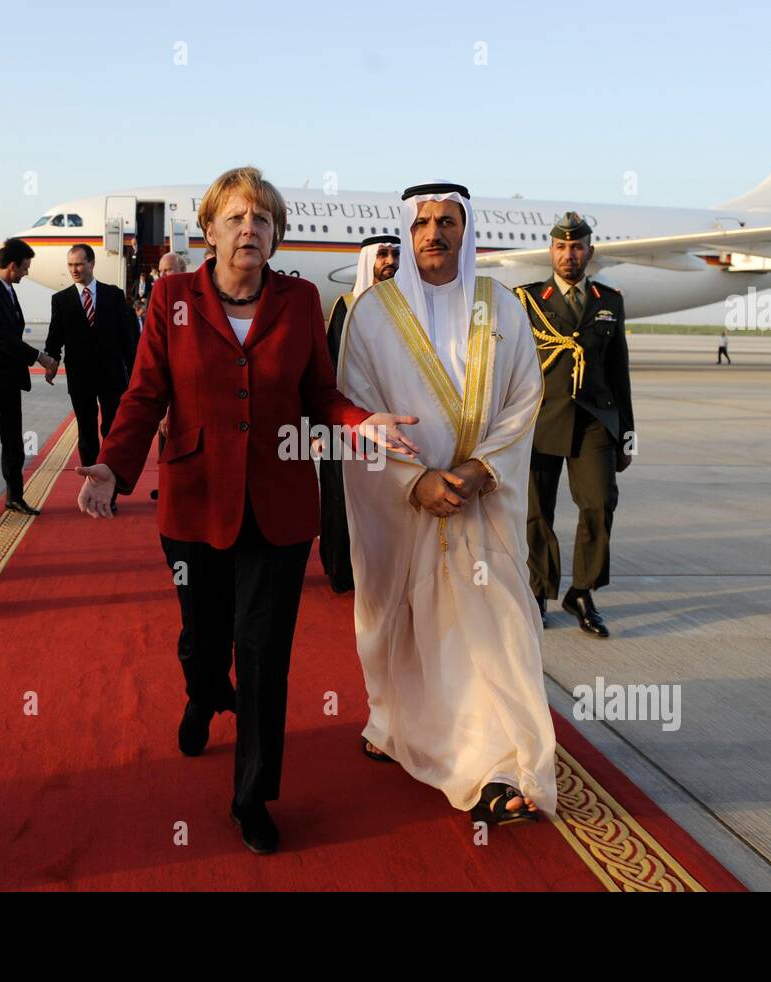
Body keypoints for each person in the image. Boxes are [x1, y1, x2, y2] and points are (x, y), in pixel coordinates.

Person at [75, 166, 418, 855]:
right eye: (235, 218)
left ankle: (252, 795)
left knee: (264, 655)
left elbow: (321, 392)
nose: (249, 230)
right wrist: (112, 465)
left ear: (275, 234)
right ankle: (203, 692)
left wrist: (359, 421)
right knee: (205, 642)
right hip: (195, 502)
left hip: (278, 508)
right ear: (209, 230)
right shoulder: (172, 298)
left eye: (262, 220)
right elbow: (143, 395)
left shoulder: (296, 303)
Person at [339, 181, 557, 827]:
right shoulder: (372, 313)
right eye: (424, 222)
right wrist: (413, 480)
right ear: (408, 233)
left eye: (448, 221)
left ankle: (499, 767)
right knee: (405, 631)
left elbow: (525, 397)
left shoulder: (503, 308)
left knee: (499, 631)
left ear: (467, 231)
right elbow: (358, 409)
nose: (434, 233)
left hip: (482, 505)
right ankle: (396, 722)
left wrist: (482, 469)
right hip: (405, 511)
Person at [516, 212, 634, 636]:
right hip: (541, 418)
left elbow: (619, 372)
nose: (570, 254)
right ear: (551, 251)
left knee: (600, 505)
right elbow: (509, 368)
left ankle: (582, 591)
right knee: (536, 513)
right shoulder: (527, 299)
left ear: (590, 252)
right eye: (562, 247)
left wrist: (627, 436)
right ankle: (538, 591)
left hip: (595, 422)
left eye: (578, 246)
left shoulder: (609, 299)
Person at [319, 234, 400, 593]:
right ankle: (342, 569)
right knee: (343, 495)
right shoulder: (346, 305)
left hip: (398, 422)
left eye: (396, 254)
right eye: (382, 254)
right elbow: (330, 367)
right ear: (369, 260)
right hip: (350, 423)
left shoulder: (410, 306)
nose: (390, 261)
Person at [0, 238, 59, 515]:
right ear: (11, 265)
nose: (26, 273)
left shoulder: (7, 290)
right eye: (25, 267)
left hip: (8, 381)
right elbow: (2, 338)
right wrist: (39, 357)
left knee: (13, 443)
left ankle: (14, 496)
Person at [43, 244, 141, 484]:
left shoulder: (113, 295)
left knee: (111, 429)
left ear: (91, 263)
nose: (74, 269)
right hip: (80, 377)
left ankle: (111, 481)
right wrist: (51, 362)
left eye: (78, 264)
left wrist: (135, 372)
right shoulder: (61, 300)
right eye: (70, 265)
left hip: (112, 376)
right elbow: (55, 337)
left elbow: (127, 339)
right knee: (86, 431)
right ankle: (93, 481)